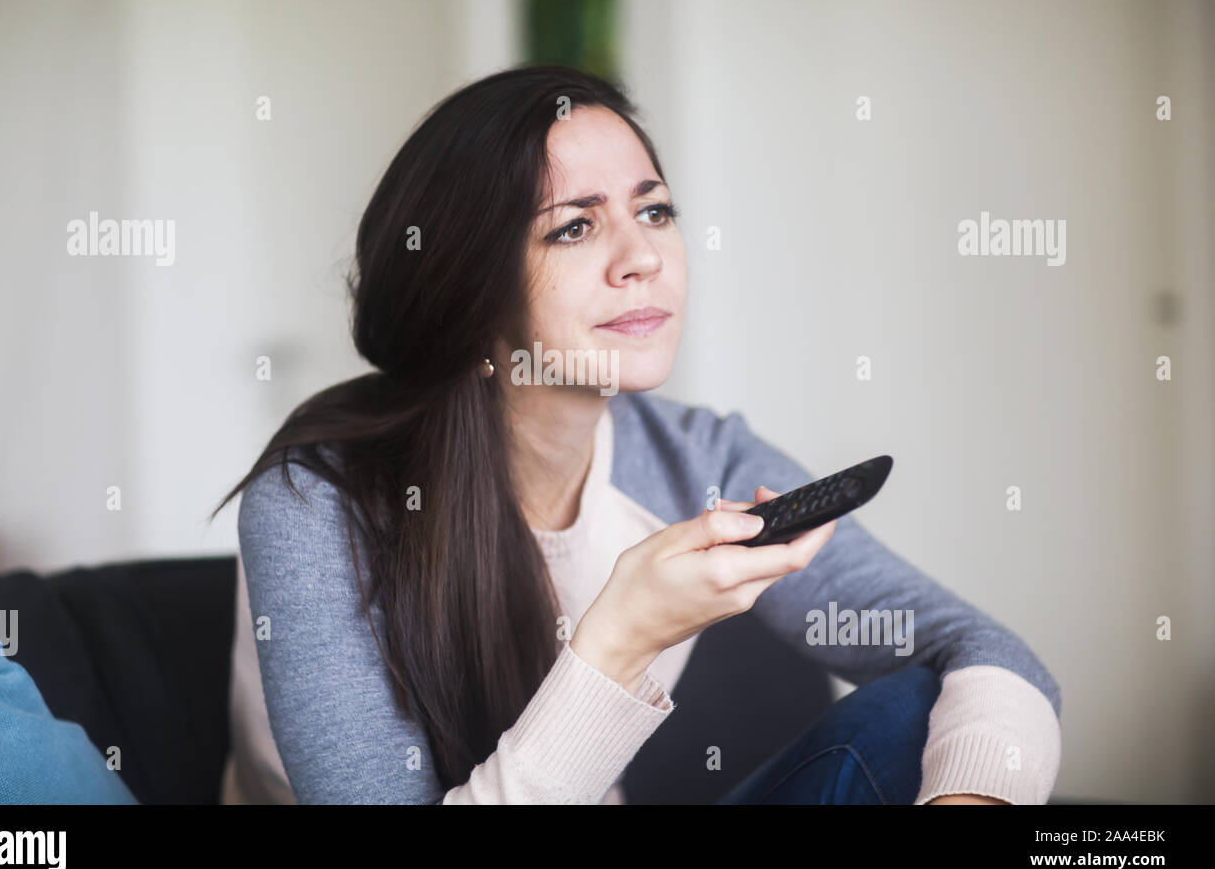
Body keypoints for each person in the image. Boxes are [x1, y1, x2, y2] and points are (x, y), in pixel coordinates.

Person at [211, 64, 1061, 805]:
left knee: (921, 714)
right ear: (466, 297)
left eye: (654, 212)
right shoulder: (315, 501)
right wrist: (620, 639)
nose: (642, 257)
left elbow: (985, 651)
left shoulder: (700, 458)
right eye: (574, 227)